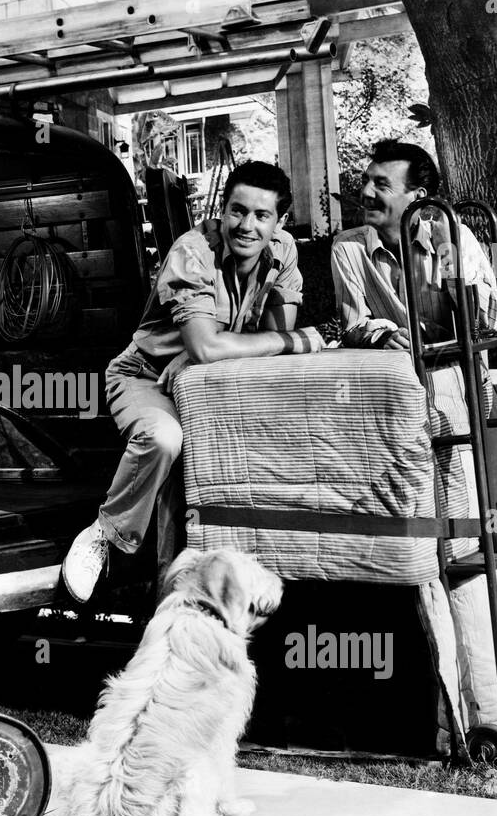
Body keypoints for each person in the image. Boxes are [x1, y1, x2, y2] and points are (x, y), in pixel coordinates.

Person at [61, 160, 324, 604]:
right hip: (149, 379)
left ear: (278, 222)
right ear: (222, 210)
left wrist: (211, 349)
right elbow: (260, 341)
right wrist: (216, 347)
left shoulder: (284, 251)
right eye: (237, 211)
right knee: (165, 439)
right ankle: (104, 533)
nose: (247, 225)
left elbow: (266, 345)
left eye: (262, 216)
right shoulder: (193, 250)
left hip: (213, 383)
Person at [331, 139, 497, 350]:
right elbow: (353, 327)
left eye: (381, 185)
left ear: (418, 197)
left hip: (460, 373)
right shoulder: (347, 247)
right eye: (366, 181)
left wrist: (449, 252)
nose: (365, 193)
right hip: (396, 374)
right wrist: (382, 337)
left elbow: (486, 325)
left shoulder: (457, 237)